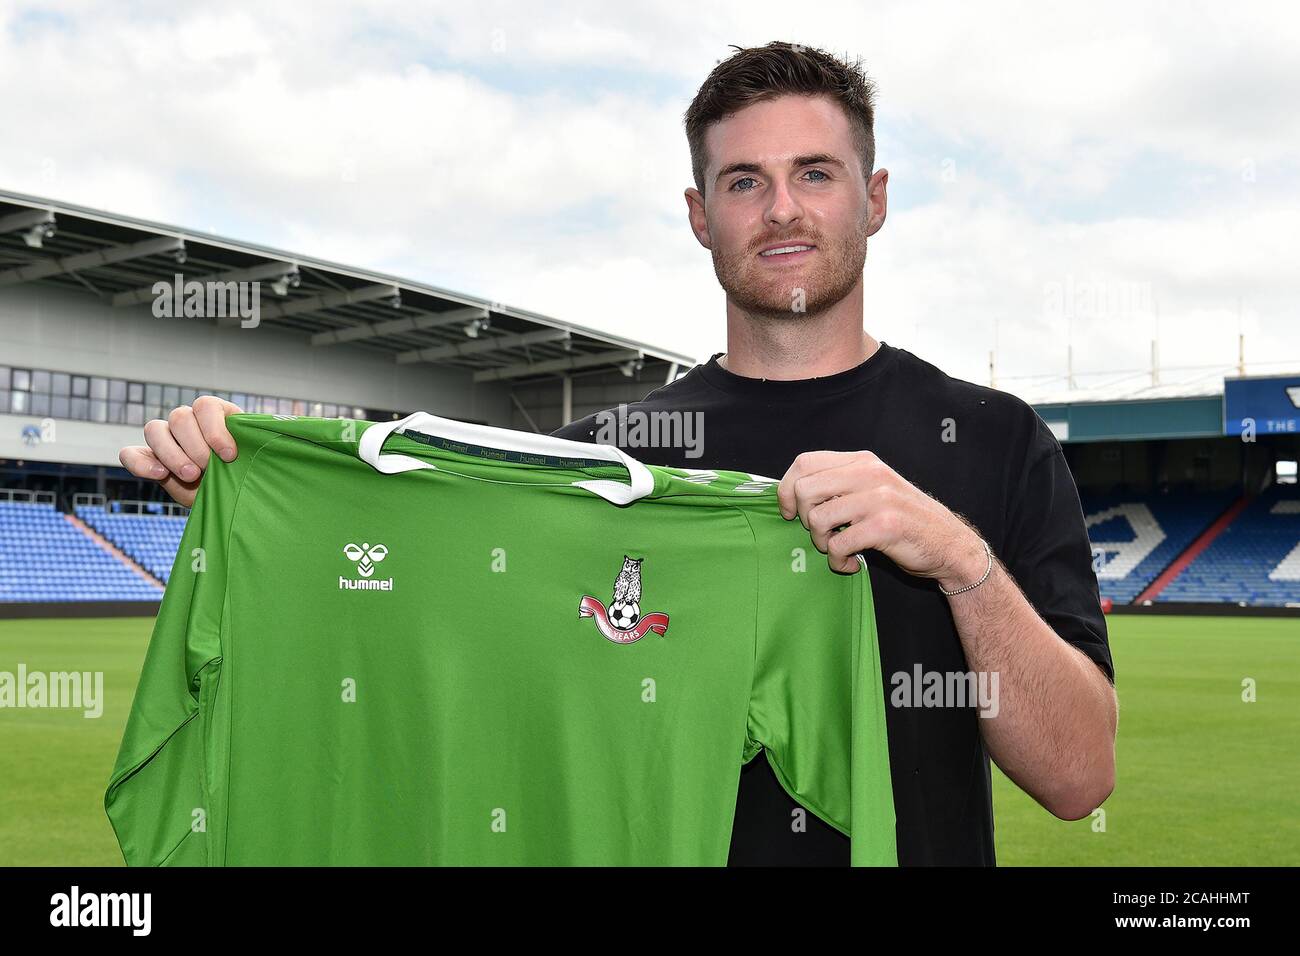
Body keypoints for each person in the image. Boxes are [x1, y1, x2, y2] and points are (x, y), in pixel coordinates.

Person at [120, 41, 1116, 866]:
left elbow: (1079, 775)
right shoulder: (592, 467)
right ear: (698, 215)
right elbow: (413, 651)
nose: (781, 208)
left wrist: (959, 559)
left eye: (815, 172)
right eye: (743, 181)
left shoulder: (994, 439)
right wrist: (248, 492)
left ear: (875, 196)